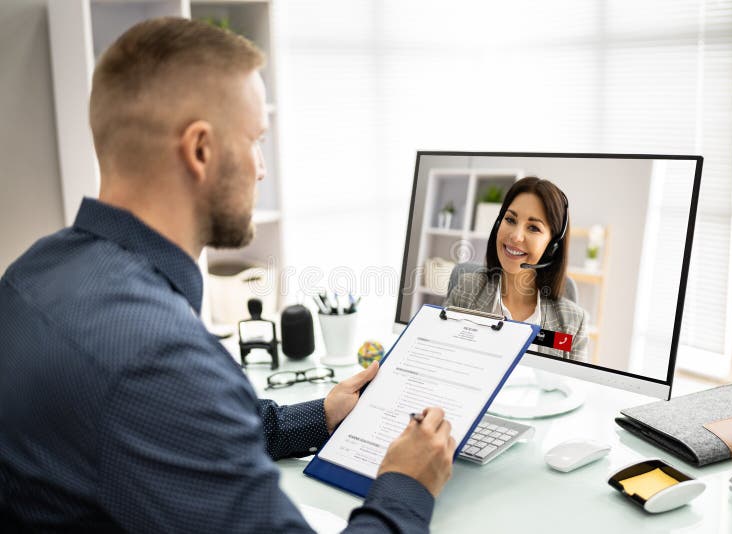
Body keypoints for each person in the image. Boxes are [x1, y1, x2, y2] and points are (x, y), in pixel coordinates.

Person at [0, 18, 455, 532]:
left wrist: (320, 414)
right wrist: (407, 484)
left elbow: (164, 432)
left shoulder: (35, 270)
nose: (262, 169)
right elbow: (161, 398)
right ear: (200, 150)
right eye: (255, 140)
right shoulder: (154, 355)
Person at [444, 177, 589, 362]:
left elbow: (570, 388)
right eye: (510, 219)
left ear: (552, 245)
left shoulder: (573, 323)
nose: (515, 236)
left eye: (533, 228)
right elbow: (440, 358)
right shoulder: (466, 291)